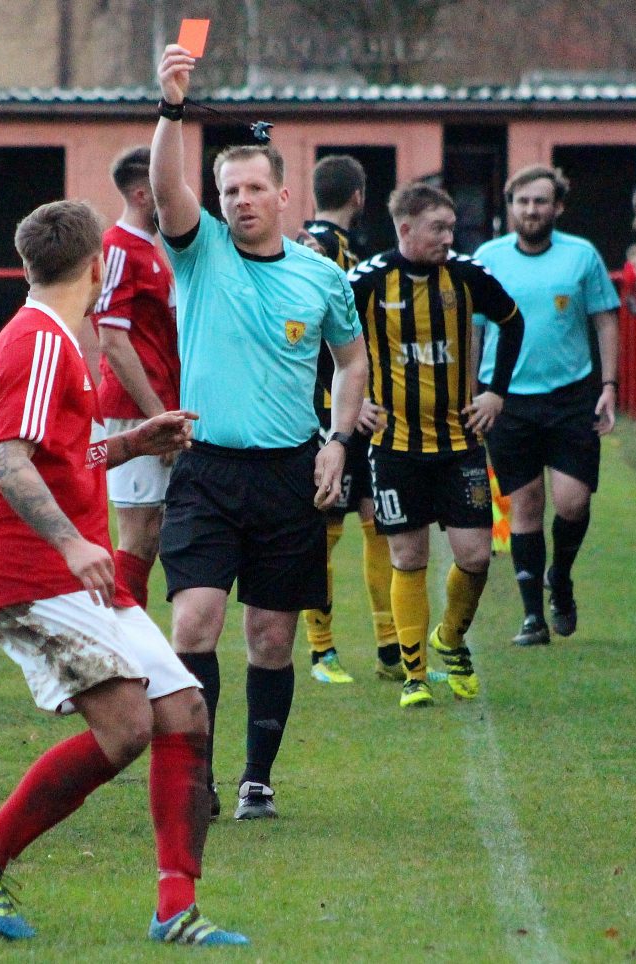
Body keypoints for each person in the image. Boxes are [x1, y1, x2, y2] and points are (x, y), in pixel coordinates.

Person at [0, 199, 248, 946]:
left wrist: (136, 441)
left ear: (25, 263)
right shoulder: (42, 344)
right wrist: (74, 546)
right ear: (98, 266)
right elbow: (7, 462)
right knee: (127, 724)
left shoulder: (53, 339)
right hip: (34, 575)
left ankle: (176, 909)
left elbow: (59, 458)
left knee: (183, 710)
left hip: (72, 575)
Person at [150, 44, 368, 820]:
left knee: (271, 641)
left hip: (290, 475)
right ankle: (196, 774)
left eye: (253, 188)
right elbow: (164, 186)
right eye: (228, 189)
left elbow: (351, 364)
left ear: (284, 195)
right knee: (194, 620)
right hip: (208, 471)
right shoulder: (200, 253)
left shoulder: (323, 277)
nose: (239, 200)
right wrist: (173, 108)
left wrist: (339, 440)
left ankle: (256, 779)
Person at [349, 182, 525, 709]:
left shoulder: (469, 276)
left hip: (460, 442)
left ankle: (449, 637)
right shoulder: (369, 280)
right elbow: (322, 341)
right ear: (405, 228)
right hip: (394, 444)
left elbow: (513, 324)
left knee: (476, 557)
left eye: (452, 228)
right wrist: (349, 406)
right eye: (438, 228)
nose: (449, 238)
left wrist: (496, 390)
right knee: (409, 555)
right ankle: (414, 675)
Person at [474, 165, 620, 646]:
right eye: (522, 201)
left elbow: (605, 321)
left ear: (557, 207)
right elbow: (474, 329)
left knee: (574, 502)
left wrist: (609, 384)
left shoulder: (582, 256)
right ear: (510, 206)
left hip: (571, 395)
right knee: (526, 504)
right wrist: (472, 391)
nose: (531, 210)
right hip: (507, 399)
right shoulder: (488, 258)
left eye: (540, 202)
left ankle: (561, 574)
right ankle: (533, 617)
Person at [297, 155, 403, 685]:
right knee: (330, 531)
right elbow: (315, 332)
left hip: (350, 413)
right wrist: (347, 401)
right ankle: (323, 652)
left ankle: (388, 649)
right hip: (331, 416)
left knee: (376, 521)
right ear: (359, 196)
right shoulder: (328, 251)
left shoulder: (320, 245)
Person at [90, 145, 180, 609]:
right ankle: (125, 646)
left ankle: (132, 647)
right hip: (133, 413)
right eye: (166, 186)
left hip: (158, 408)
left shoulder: (151, 248)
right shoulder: (119, 248)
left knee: (154, 536)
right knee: (139, 537)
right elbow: (113, 341)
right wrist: (156, 417)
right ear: (145, 194)